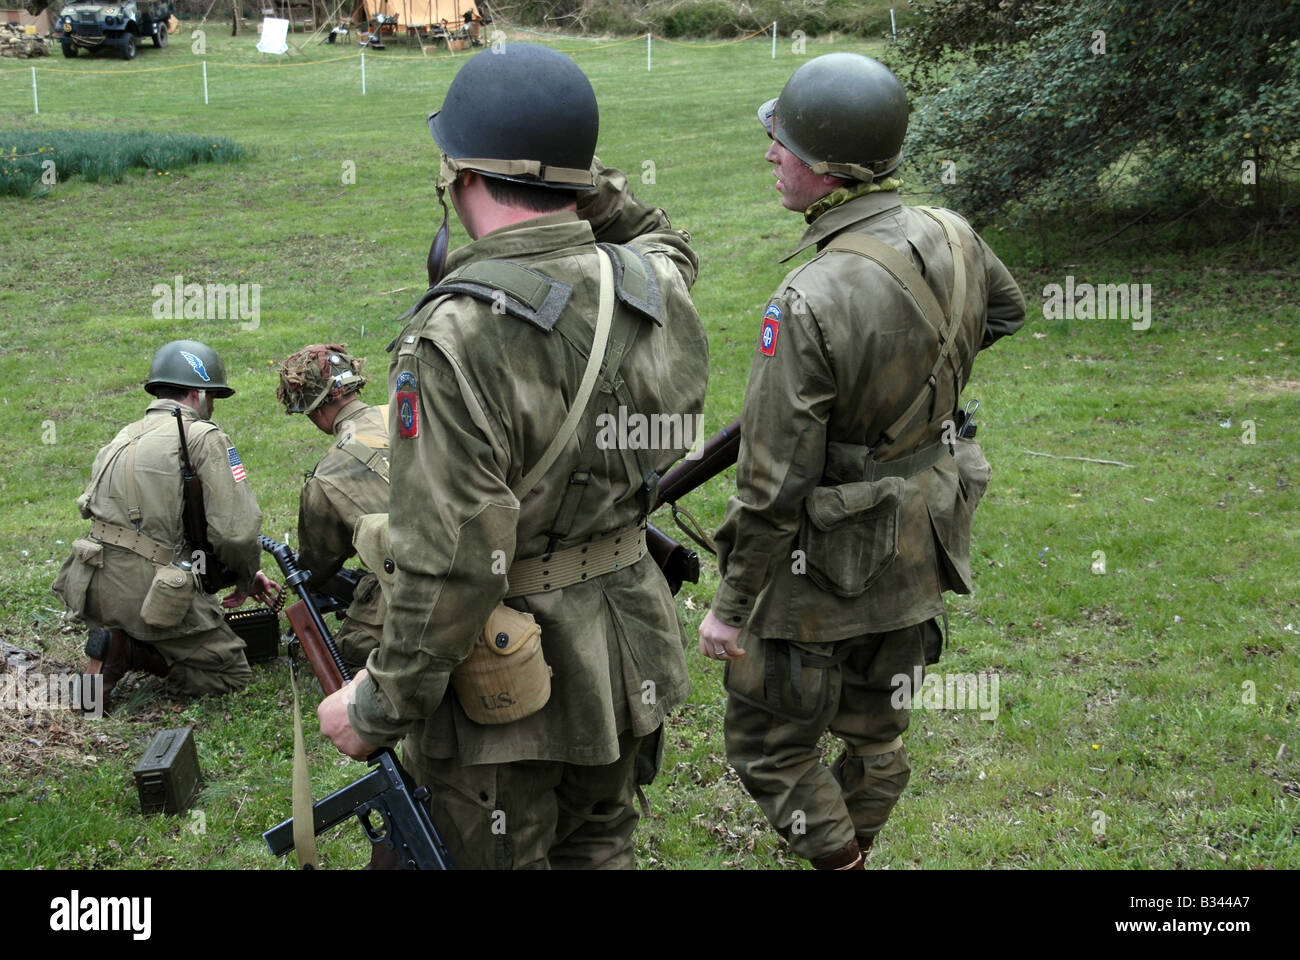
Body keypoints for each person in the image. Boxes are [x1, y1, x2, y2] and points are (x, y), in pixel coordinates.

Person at [316, 43, 709, 869]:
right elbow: (661, 232)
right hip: (620, 657)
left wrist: (378, 705)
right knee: (600, 851)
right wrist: (567, 166)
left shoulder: (452, 338)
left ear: (459, 176)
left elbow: (453, 562)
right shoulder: (653, 283)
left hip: (506, 693)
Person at [697, 53, 1027, 869]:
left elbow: (774, 487)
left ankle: (840, 861)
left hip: (827, 562)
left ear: (826, 167)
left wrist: (730, 608)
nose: (770, 153)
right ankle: (857, 845)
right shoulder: (953, 231)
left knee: (769, 743)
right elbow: (1007, 312)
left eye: (782, 142)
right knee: (878, 731)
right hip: (924, 534)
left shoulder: (807, 299)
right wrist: (911, 391)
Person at [52, 339, 278, 703]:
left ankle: (124, 638)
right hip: (152, 591)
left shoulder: (120, 437)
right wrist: (245, 575)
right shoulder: (202, 437)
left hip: (95, 584)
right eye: (213, 397)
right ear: (198, 394)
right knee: (229, 672)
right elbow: (235, 533)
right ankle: (125, 649)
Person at [276, 344, 388, 673]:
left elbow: (316, 567)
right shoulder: (408, 413)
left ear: (314, 409)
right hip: (482, 559)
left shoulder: (328, 478)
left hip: (422, 588)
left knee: (350, 652)